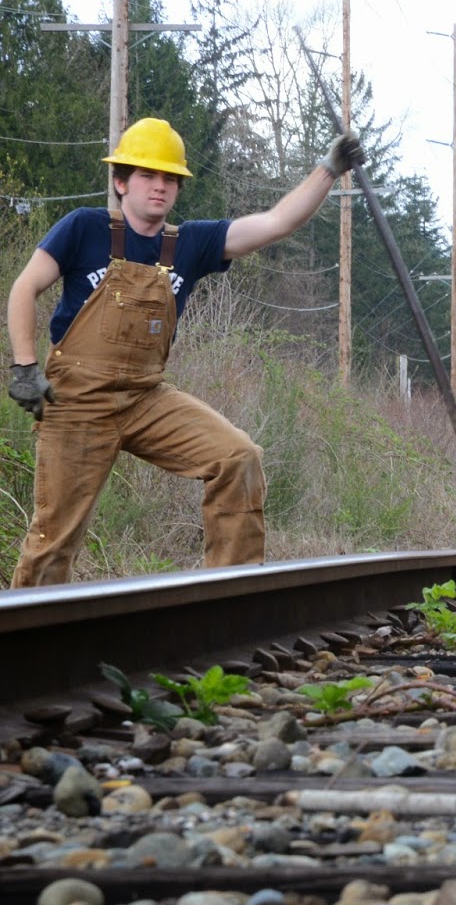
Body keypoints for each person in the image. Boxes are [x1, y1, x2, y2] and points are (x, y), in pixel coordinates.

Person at [5, 117, 365, 587]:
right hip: (76, 400)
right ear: (121, 182)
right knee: (54, 538)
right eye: (148, 176)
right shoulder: (84, 229)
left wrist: (327, 170)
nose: (160, 187)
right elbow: (24, 288)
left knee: (237, 457)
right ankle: (25, 642)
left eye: (170, 178)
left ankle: (228, 600)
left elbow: (278, 222)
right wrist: (26, 366)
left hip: (145, 397)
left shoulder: (191, 242)